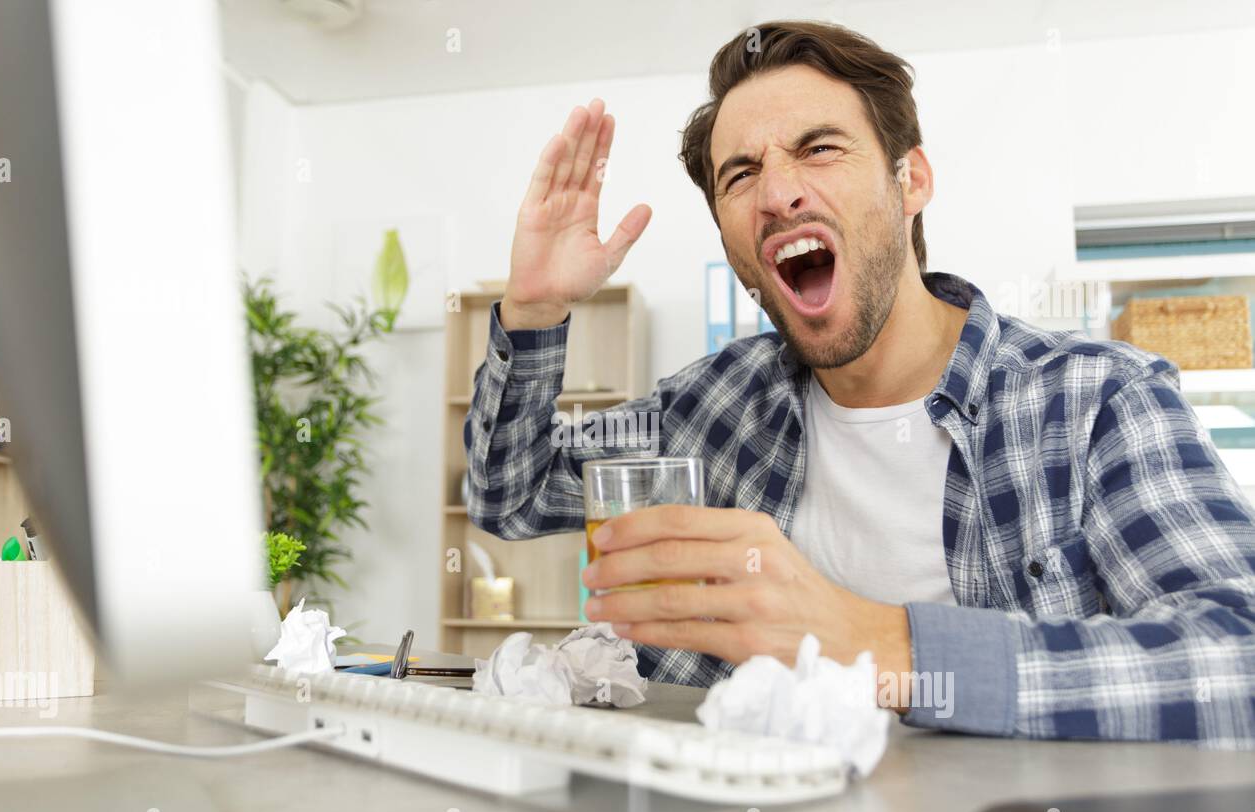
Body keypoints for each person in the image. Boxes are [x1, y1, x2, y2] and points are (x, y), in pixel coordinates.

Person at [464, 19, 1255, 746]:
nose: (778, 194)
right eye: (741, 175)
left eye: (820, 148)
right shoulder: (710, 409)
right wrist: (533, 312)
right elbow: (511, 493)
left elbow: (1237, 659)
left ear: (910, 181)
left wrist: (880, 643)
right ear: (732, 240)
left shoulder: (1096, 403)